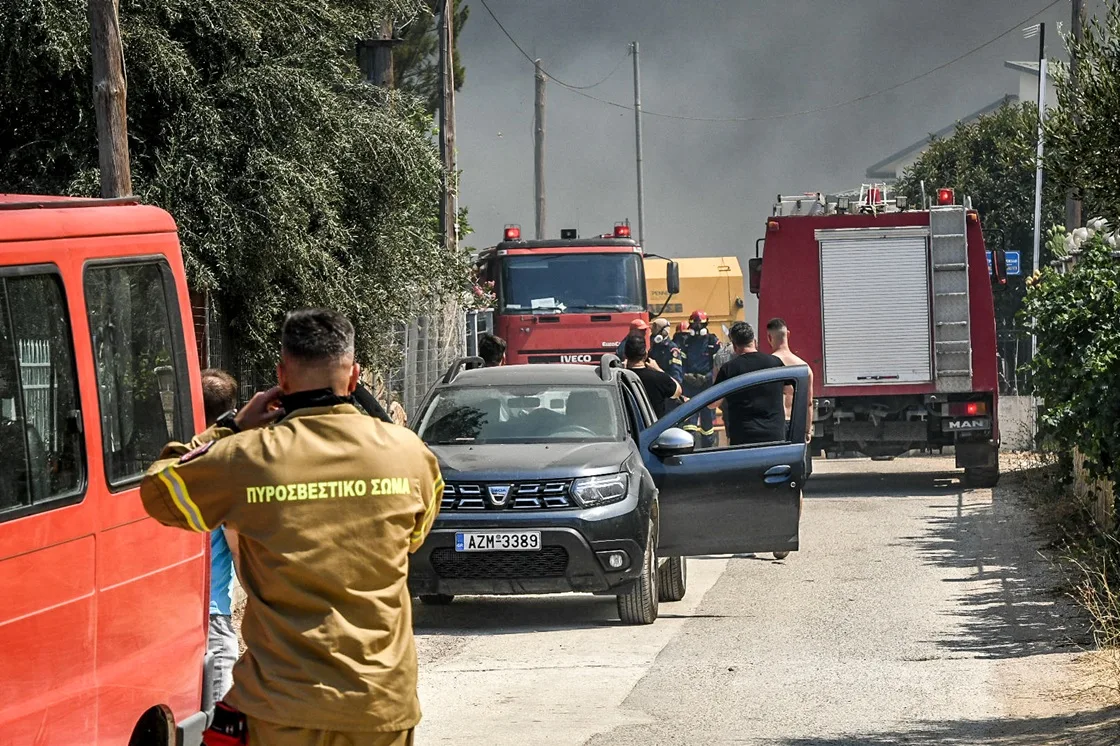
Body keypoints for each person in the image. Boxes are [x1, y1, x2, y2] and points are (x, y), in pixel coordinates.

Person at [140, 309, 443, 746]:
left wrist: (231, 426)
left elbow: (158, 490)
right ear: (354, 377)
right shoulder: (409, 454)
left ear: (281, 378)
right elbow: (414, 537)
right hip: (380, 704)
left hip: (281, 706)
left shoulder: (247, 457)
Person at [199, 368, 242, 704]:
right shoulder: (228, 471)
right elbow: (239, 551)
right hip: (212, 615)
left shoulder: (172, 461)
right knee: (218, 715)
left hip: (170, 611)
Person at [713, 320, 786, 446]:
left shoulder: (729, 369)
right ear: (755, 342)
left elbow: (713, 403)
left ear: (735, 346)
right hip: (774, 436)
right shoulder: (775, 363)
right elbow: (790, 391)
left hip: (744, 438)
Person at [679, 310, 723, 448]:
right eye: (694, 324)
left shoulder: (713, 341)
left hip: (707, 386)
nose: (697, 328)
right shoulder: (686, 342)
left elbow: (718, 365)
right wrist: (686, 376)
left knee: (707, 422)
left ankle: (708, 448)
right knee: (689, 422)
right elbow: (681, 363)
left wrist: (706, 377)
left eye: (700, 324)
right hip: (690, 386)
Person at [766, 318, 814, 442]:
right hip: (796, 423)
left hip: (775, 424)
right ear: (788, 334)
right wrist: (807, 430)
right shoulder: (804, 367)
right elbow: (809, 402)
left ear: (769, 338)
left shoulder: (766, 366)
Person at [624, 335, 682, 418]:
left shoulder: (619, 377)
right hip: (654, 429)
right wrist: (658, 369)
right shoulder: (659, 378)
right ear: (646, 354)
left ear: (625, 355)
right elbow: (678, 391)